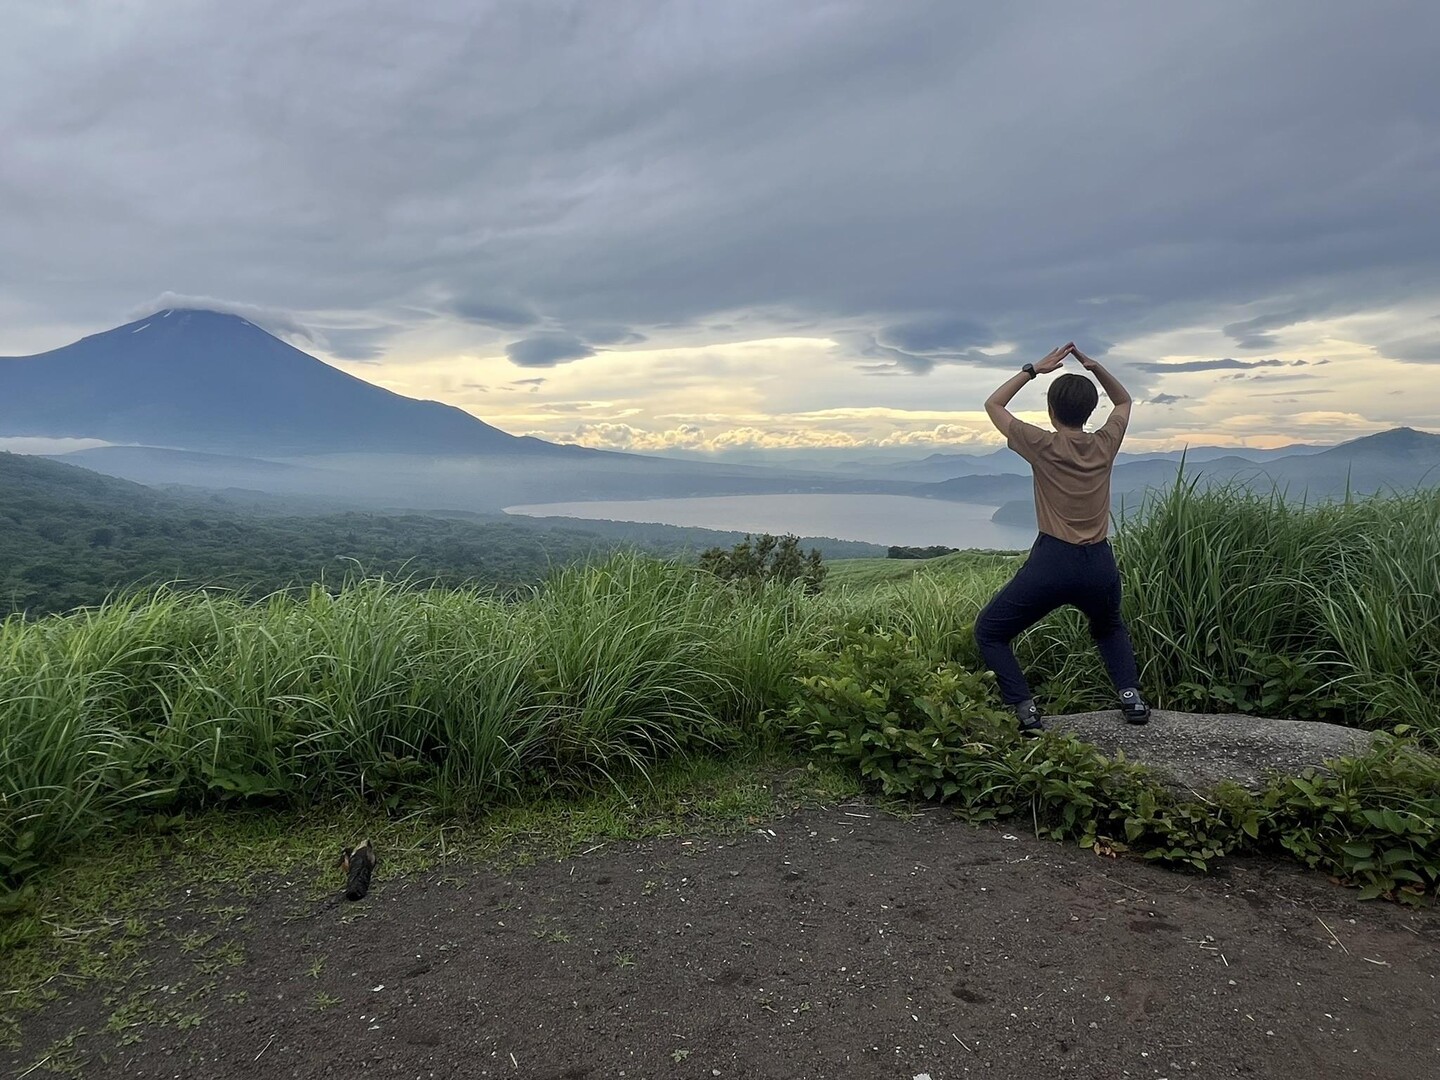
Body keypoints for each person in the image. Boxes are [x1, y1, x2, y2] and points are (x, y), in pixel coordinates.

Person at [974, 341, 1149, 736]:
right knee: (1108, 627)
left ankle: (1025, 710)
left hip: (1053, 561)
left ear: (1052, 412)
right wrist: (1096, 367)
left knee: (990, 631)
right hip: (1099, 562)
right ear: (1089, 411)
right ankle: (1130, 698)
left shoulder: (1042, 444)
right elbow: (1123, 402)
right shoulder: (1105, 443)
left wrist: (1033, 369)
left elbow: (993, 405)